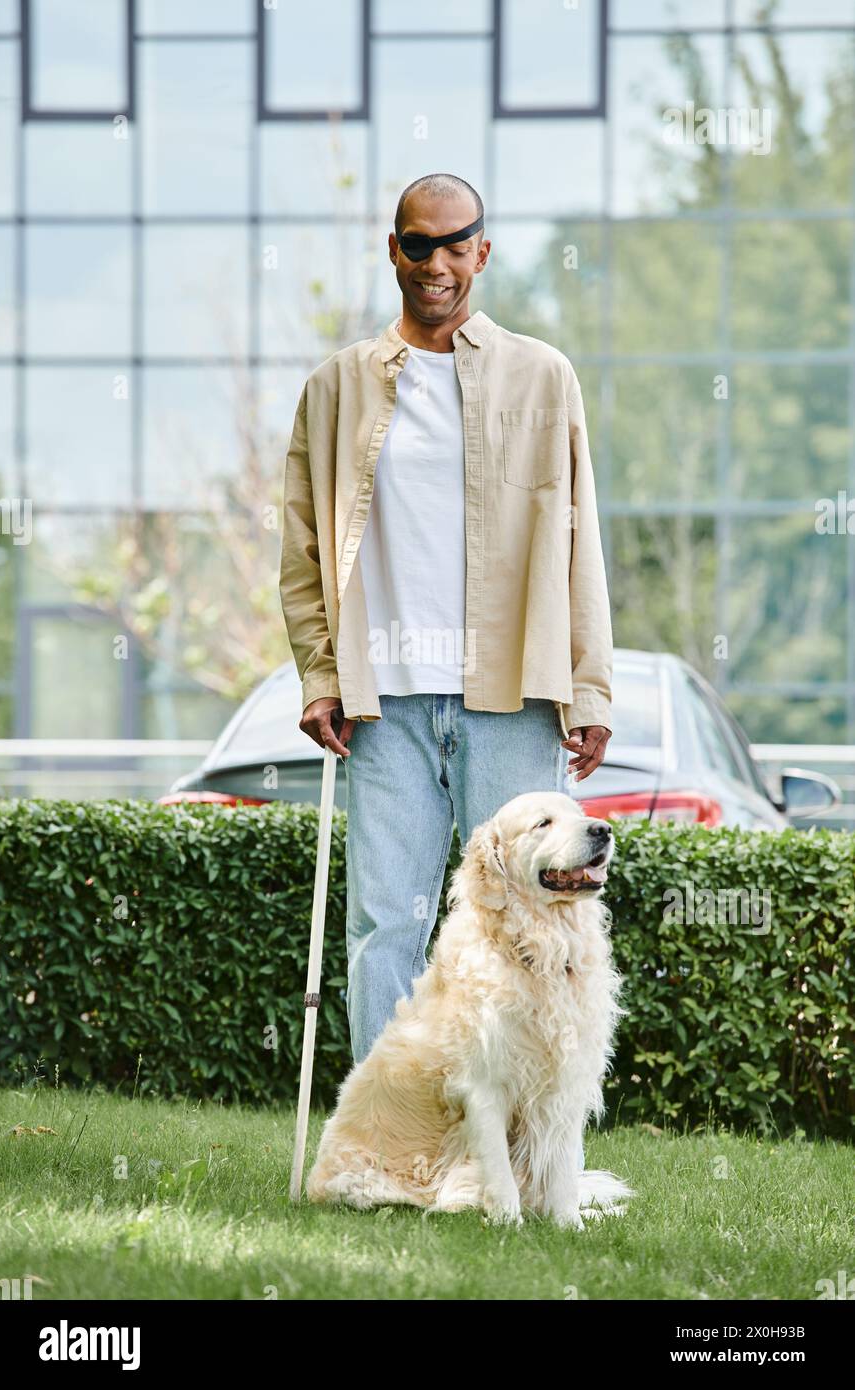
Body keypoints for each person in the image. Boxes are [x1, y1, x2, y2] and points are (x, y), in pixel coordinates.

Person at [279, 172, 614, 1169]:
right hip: (382, 699)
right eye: (415, 246)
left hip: (510, 690)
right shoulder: (337, 385)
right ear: (393, 252)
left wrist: (587, 687)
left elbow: (576, 533)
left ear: (481, 249)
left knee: (532, 928)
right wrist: (317, 674)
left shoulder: (542, 375)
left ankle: (517, 1155)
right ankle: (388, 1153)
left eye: (452, 244)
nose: (434, 265)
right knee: (388, 923)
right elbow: (300, 548)